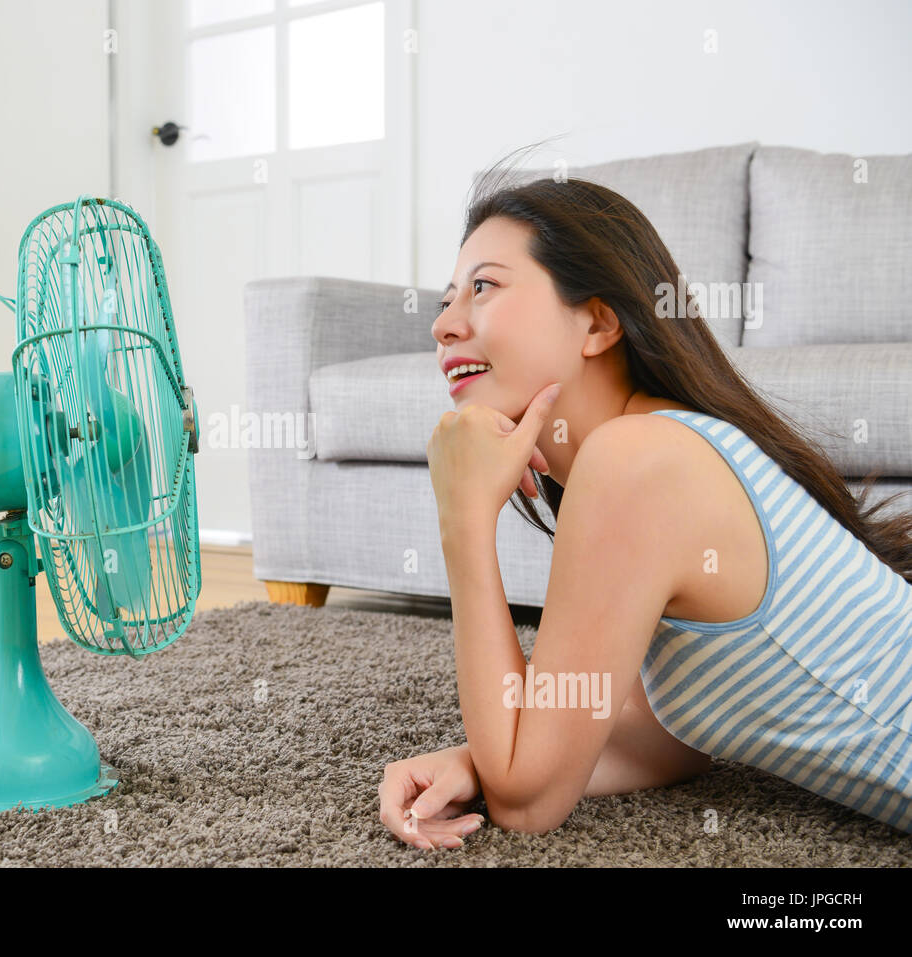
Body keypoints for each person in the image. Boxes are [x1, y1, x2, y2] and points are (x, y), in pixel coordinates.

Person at [379, 154, 912, 846]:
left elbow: (528, 797)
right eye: (448, 297)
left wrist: (462, 518)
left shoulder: (637, 460)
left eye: (483, 287)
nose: (444, 324)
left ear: (598, 323)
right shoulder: (657, 450)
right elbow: (670, 738)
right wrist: (480, 762)